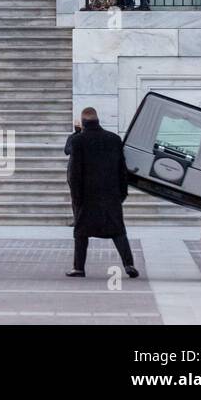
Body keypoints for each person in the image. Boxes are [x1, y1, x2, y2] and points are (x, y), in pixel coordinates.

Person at [66, 107, 140, 279]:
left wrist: (76, 197)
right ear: (98, 120)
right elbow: (122, 170)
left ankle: (79, 268)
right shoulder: (114, 139)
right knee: (118, 231)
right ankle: (129, 264)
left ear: (83, 123)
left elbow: (75, 172)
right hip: (111, 195)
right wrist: (122, 194)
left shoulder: (78, 141)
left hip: (86, 196)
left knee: (81, 232)